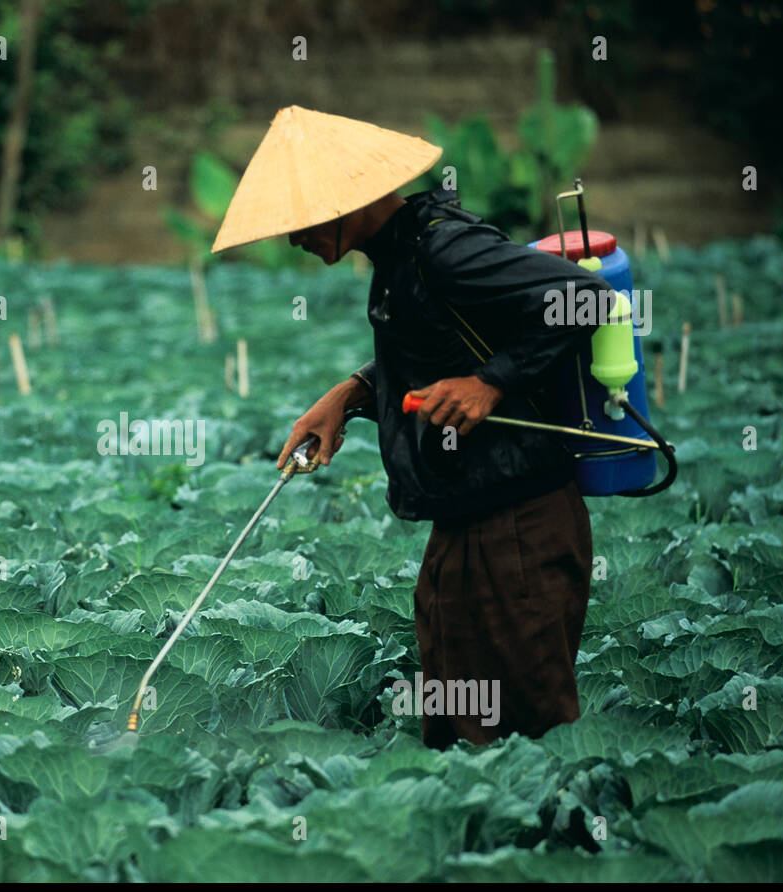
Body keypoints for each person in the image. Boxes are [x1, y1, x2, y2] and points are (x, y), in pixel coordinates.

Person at [212, 107, 613, 748]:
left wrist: (492, 383)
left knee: (531, 734)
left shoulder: (443, 248)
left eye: (299, 221)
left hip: (519, 526)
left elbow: (585, 298)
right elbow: (435, 351)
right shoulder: (398, 259)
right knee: (455, 725)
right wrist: (351, 394)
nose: (294, 240)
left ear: (349, 200)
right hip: (462, 520)